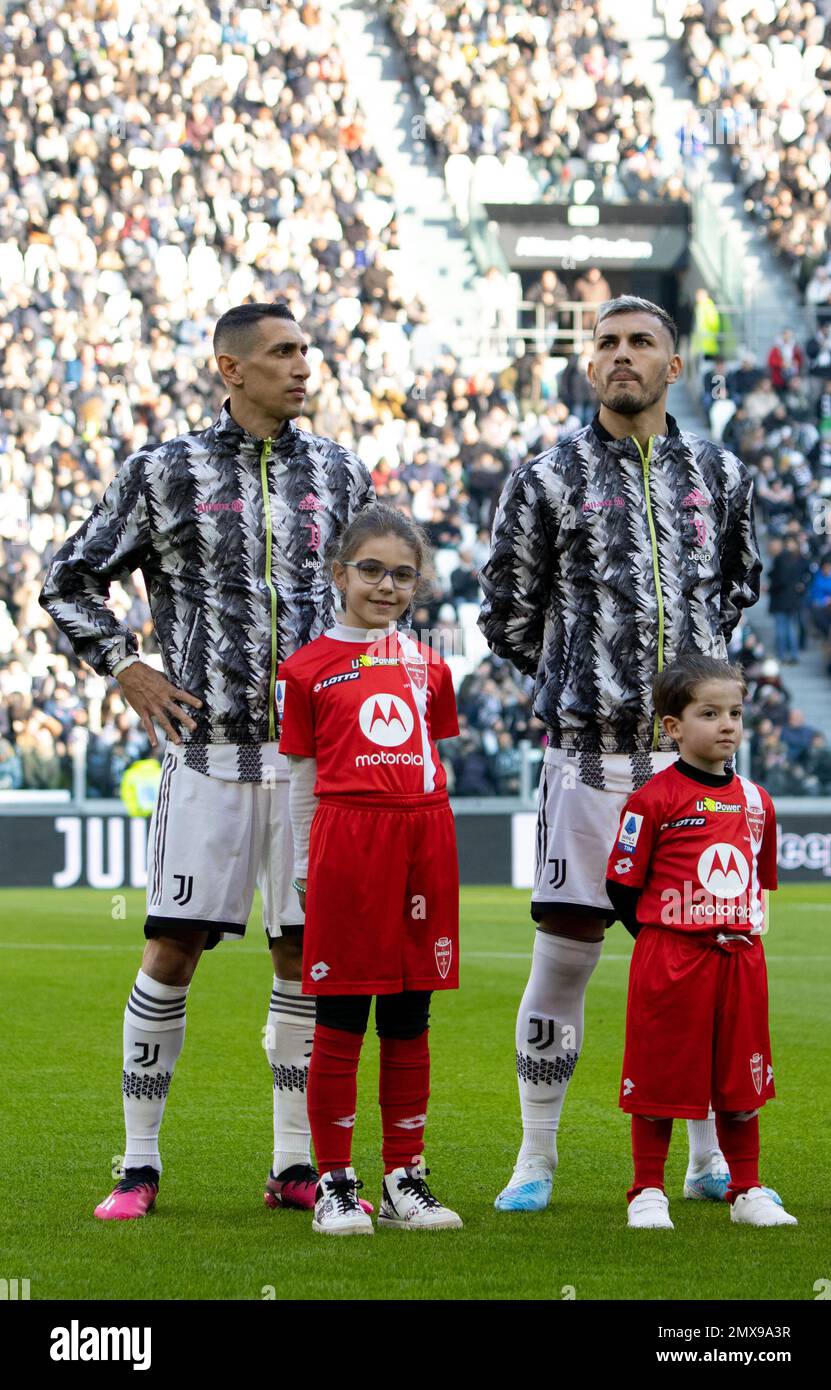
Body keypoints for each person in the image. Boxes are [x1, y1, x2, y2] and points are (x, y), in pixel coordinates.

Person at [39, 301, 375, 1220]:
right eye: (281, 354)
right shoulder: (165, 471)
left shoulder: (342, 473)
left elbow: (379, 594)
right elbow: (67, 581)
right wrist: (127, 667)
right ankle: (138, 1164)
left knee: (303, 955)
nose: (302, 367)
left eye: (306, 351)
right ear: (231, 370)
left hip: (313, 762)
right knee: (171, 949)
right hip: (211, 755)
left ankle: (293, 1163)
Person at [478, 294, 762, 1212]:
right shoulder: (545, 476)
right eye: (606, 343)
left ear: (673, 366)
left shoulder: (720, 475)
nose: (623, 356)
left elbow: (737, 588)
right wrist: (579, 684)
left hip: (695, 776)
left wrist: (692, 711)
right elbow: (507, 613)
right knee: (565, 956)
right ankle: (535, 1157)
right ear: (587, 365)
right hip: (589, 763)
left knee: (702, 966)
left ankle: (708, 1159)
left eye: (641, 342)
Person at [277, 503, 463, 1234]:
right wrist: (301, 865)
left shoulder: (427, 662)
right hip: (348, 839)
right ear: (339, 574)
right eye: (372, 570)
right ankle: (334, 1181)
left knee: (411, 1010)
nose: (386, 586)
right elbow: (299, 777)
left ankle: (403, 1176)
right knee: (342, 1011)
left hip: (424, 834)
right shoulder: (306, 667)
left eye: (403, 575)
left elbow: (430, 753)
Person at [605, 655, 796, 1229]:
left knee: (742, 1078)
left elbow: (759, 880)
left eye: (735, 712)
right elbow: (620, 883)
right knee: (661, 1075)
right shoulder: (652, 800)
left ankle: (747, 1189)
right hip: (671, 957)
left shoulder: (758, 800)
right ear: (672, 726)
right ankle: (646, 1191)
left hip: (740, 958)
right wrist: (663, 938)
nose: (727, 725)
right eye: (709, 713)